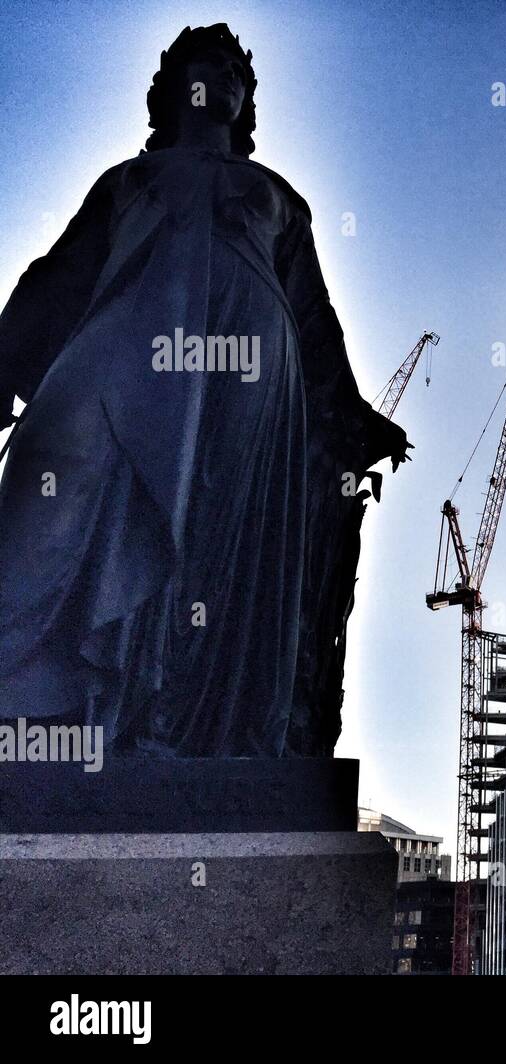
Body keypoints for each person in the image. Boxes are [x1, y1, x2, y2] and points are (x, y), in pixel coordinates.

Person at [0, 24, 408, 756]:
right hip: (130, 338)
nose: (219, 75)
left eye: (232, 69)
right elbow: (60, 274)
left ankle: (164, 723)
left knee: (217, 544)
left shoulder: (277, 196)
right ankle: (40, 707)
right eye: (203, 63)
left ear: (246, 100)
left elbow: (315, 317)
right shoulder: (130, 179)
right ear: (170, 87)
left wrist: (349, 416)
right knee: (52, 460)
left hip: (253, 369)